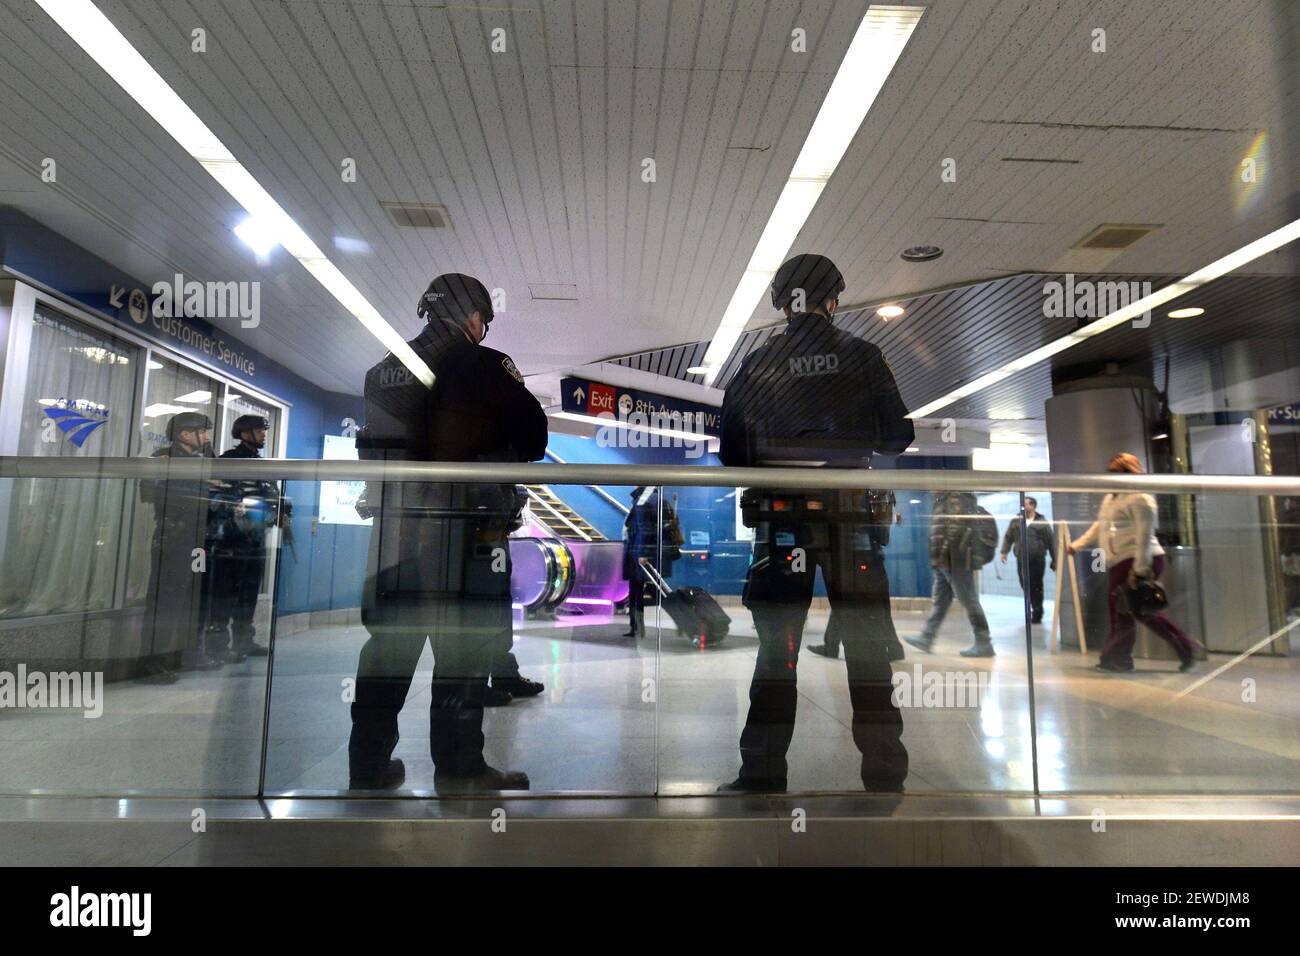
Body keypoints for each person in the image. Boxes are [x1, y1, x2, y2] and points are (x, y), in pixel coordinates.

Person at [718, 253, 913, 794]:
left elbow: (732, 450)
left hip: (781, 526)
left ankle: (761, 771)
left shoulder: (756, 365)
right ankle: (883, 770)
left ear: (782, 302)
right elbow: (898, 436)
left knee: (776, 652)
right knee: (869, 648)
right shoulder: (865, 355)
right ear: (833, 299)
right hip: (852, 521)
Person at [349, 273, 548, 793]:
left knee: (387, 650)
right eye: (484, 319)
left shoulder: (382, 371)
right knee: (460, 653)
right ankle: (459, 769)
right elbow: (533, 437)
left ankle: (367, 767)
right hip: (466, 531)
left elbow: (376, 447)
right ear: (473, 318)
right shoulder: (485, 363)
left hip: (395, 532)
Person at [1067, 452, 1201, 673]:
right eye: (1110, 473)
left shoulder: (1141, 499)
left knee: (1127, 611)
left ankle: (1118, 658)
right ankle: (1181, 649)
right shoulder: (1111, 498)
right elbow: (1100, 525)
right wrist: (1077, 545)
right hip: (1121, 561)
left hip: (1139, 560)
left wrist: (1139, 570)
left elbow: (1144, 535)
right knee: (1135, 611)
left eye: (1116, 472)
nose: (1111, 477)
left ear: (1129, 473)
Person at [138, 411, 219, 682]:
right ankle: (153, 660)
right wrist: (197, 484)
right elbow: (147, 492)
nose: (206, 437)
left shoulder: (205, 460)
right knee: (166, 600)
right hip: (174, 536)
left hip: (199, 539)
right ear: (185, 434)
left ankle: (181, 655)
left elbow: (220, 493)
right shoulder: (163, 458)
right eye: (202, 431)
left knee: (193, 598)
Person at [207, 415, 281, 662]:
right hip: (231, 538)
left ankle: (244, 641)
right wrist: (232, 509)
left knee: (249, 591)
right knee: (225, 594)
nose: (264, 435)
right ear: (245, 432)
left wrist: (279, 513)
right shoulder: (227, 460)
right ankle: (217, 646)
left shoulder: (262, 463)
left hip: (256, 537)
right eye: (260, 430)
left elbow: (273, 495)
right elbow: (215, 496)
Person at [904, 491, 998, 657]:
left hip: (954, 561)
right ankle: (927, 637)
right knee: (941, 602)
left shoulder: (954, 499)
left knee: (969, 601)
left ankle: (984, 642)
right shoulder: (942, 500)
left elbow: (956, 530)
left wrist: (946, 557)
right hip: (944, 561)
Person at [621, 486, 677, 638]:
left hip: (638, 554)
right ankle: (638, 627)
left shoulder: (643, 501)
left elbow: (644, 528)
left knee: (637, 591)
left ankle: (637, 628)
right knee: (653, 590)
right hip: (651, 553)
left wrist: (643, 552)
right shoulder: (659, 500)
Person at [999, 496, 1055, 624]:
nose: (1023, 507)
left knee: (1036, 586)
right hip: (1021, 559)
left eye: (1025, 504)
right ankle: (1033, 606)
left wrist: (1054, 559)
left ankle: (1037, 612)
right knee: (1024, 584)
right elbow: (1008, 537)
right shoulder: (1016, 520)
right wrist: (1004, 552)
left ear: (1033, 506)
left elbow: (1051, 541)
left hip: (1037, 559)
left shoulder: (1042, 521)